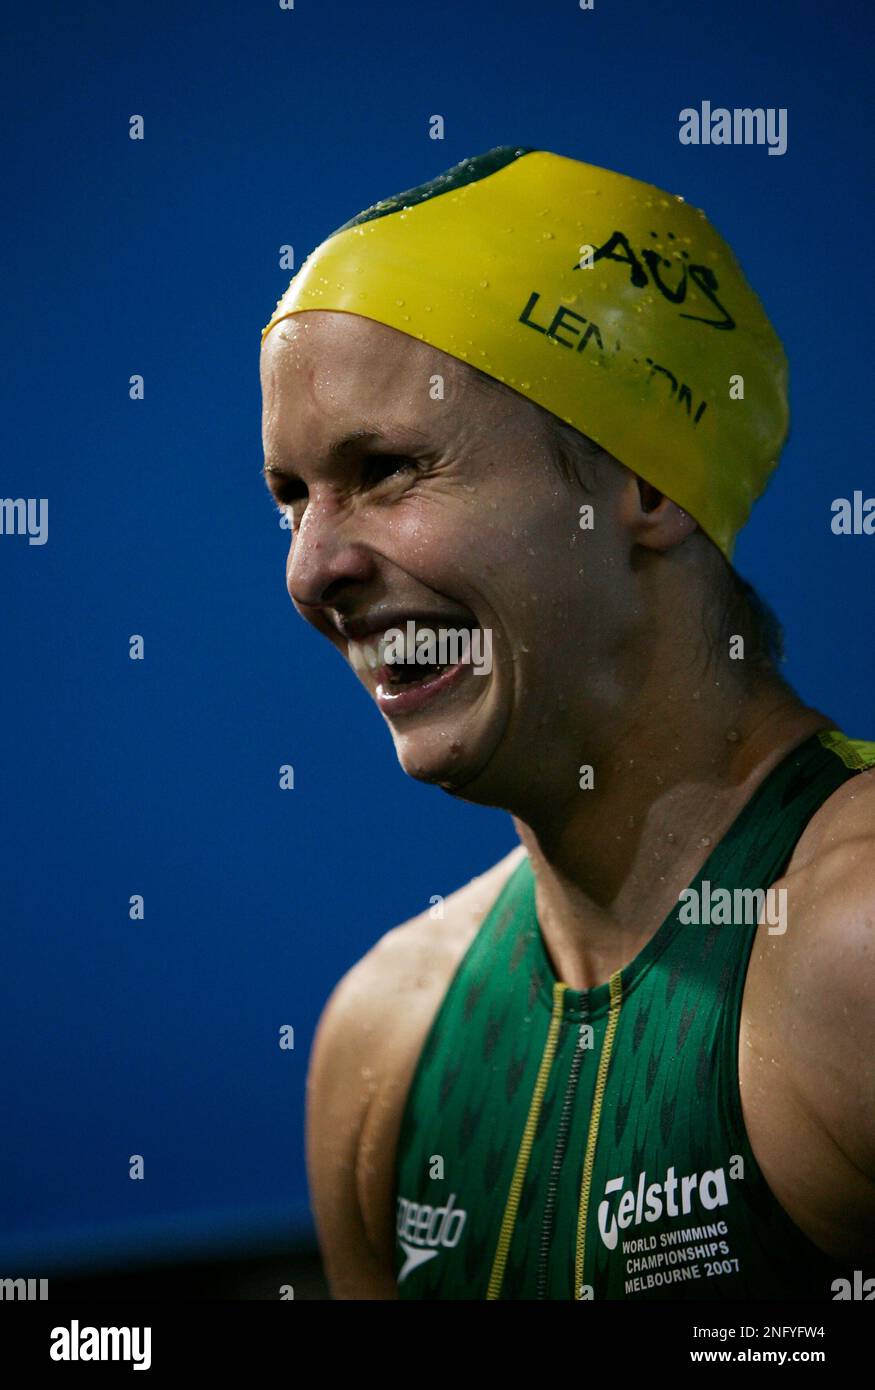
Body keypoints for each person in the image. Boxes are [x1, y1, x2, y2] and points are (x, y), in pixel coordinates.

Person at [259, 147, 875, 1299]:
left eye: (387, 469)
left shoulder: (853, 947)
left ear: (642, 484)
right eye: (291, 497)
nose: (312, 568)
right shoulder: (380, 1042)